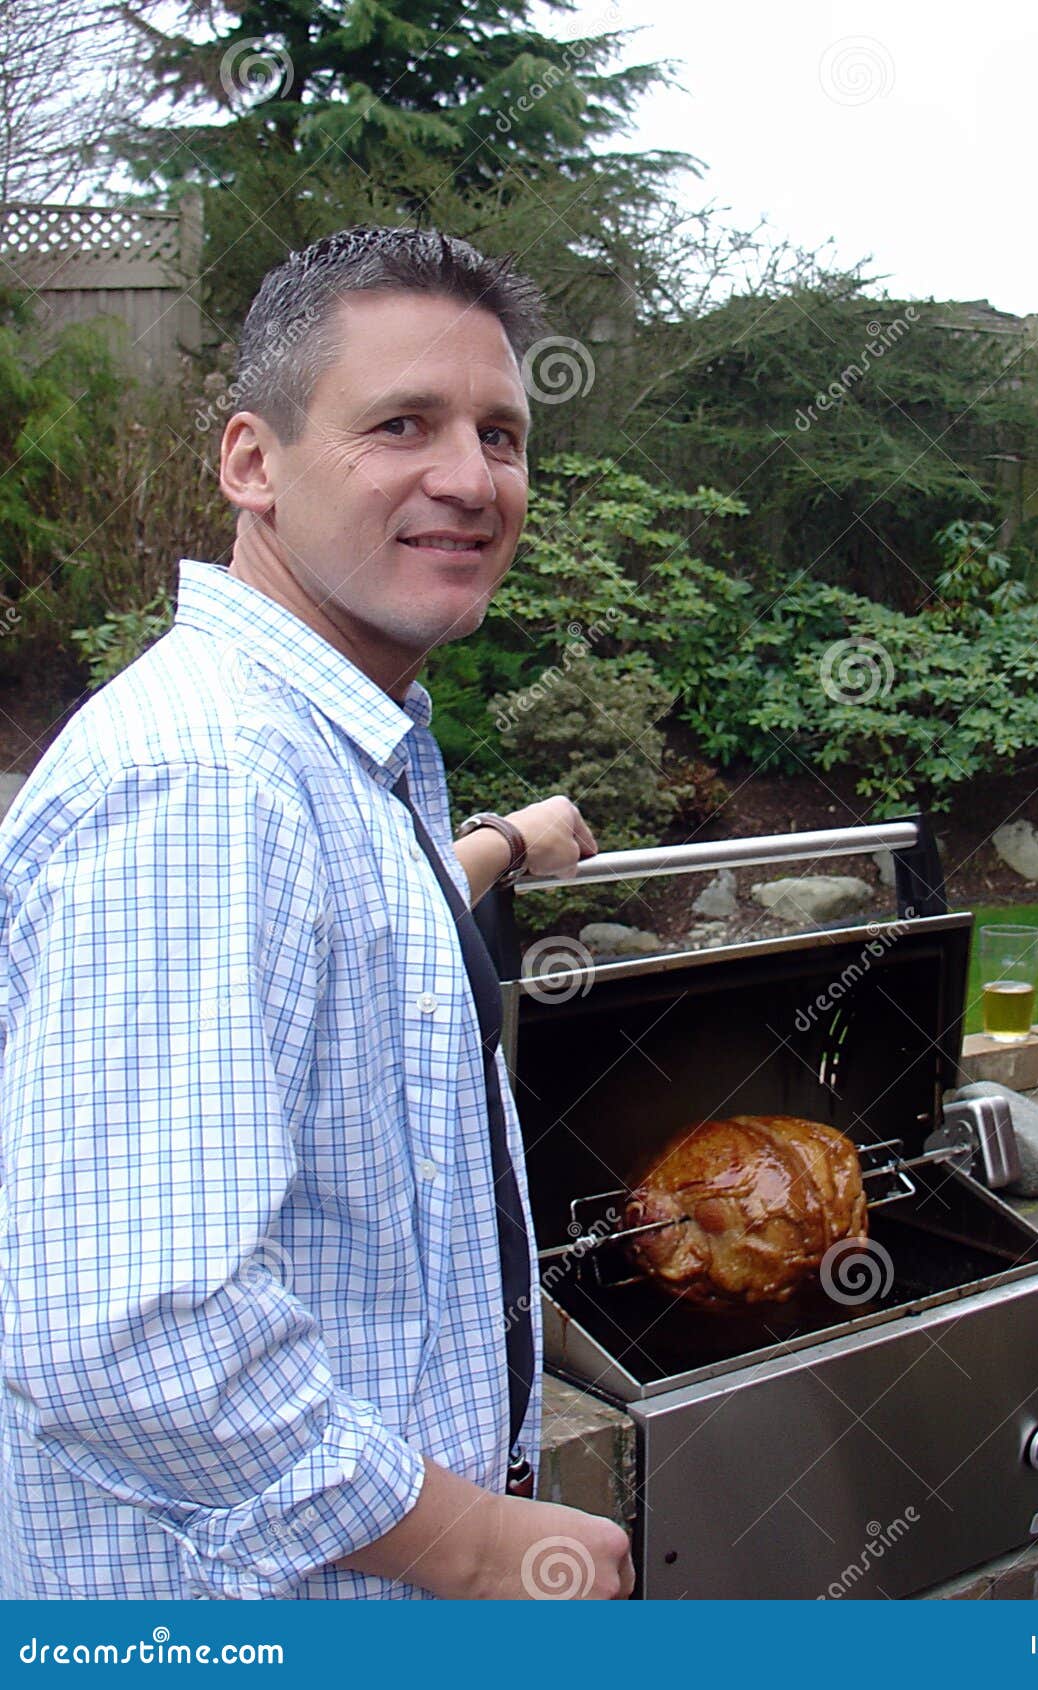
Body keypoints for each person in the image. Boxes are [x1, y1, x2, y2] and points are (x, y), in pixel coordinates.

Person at [0, 226, 633, 1600]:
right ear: (252, 462)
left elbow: (358, 945)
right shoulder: (208, 782)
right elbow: (131, 1328)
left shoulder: (325, 751)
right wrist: (471, 1539)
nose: (469, 479)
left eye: (502, 435)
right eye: (401, 423)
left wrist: (499, 847)